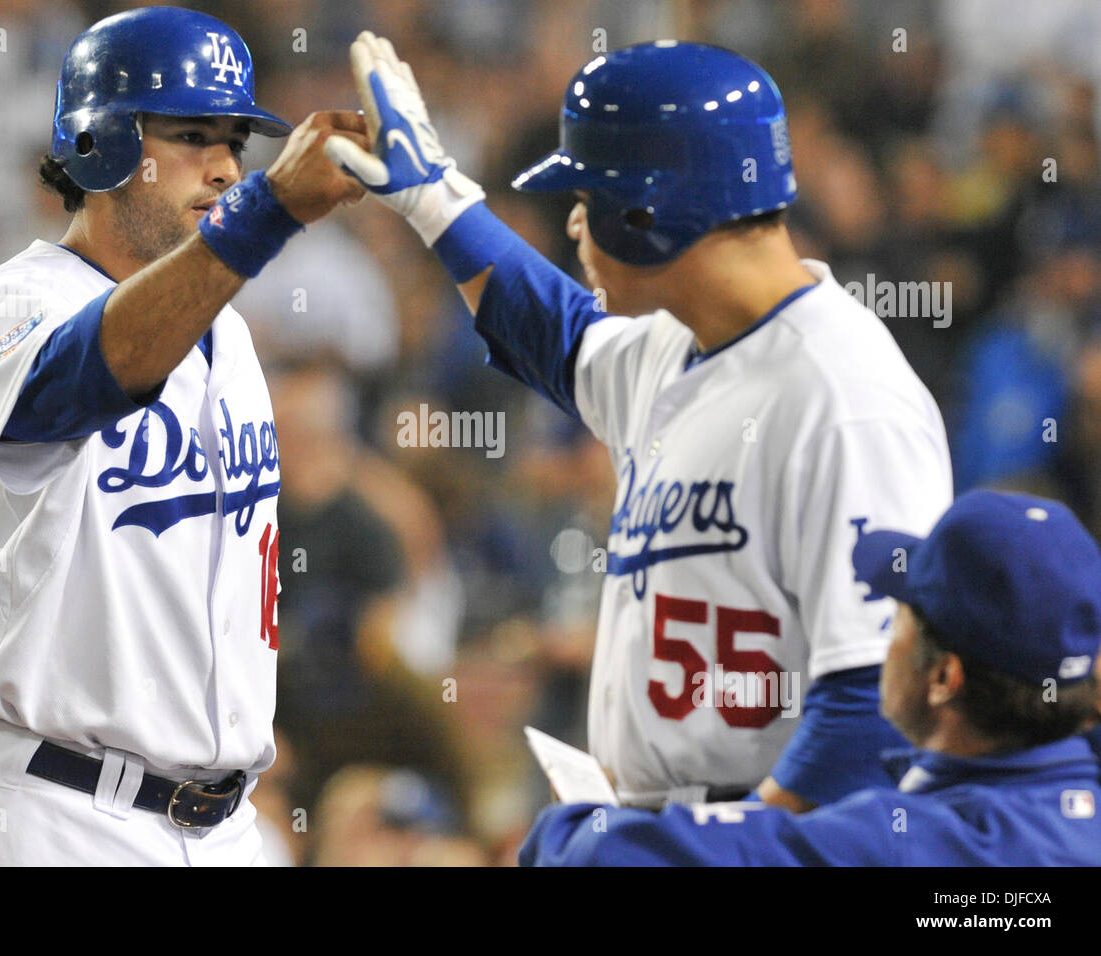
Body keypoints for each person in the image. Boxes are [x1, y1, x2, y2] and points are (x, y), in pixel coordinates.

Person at [326, 34, 952, 812]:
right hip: (673, 821)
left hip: (769, 836)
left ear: (648, 211)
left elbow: (877, 702)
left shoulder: (845, 395)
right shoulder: (674, 345)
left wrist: (728, 844)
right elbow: (555, 333)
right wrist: (434, 199)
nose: (576, 227)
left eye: (586, 202)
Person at [0, 6, 366, 866]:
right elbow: (77, 383)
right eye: (193, 134)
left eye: (238, 144)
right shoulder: (5, 307)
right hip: (39, 812)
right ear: (102, 144)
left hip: (221, 827)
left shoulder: (231, 337)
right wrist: (265, 216)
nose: (226, 168)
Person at [519, 489, 1101, 865]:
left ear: (944, 676)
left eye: (897, 617)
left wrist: (569, 827)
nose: (884, 642)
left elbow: (611, 860)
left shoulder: (922, 845)